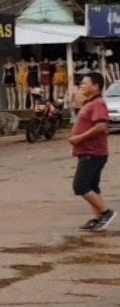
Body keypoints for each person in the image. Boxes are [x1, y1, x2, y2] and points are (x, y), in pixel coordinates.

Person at [68, 72, 116, 232]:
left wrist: (80, 138)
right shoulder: (90, 103)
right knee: (92, 186)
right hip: (88, 151)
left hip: (93, 152)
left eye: (85, 83)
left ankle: (105, 213)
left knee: (80, 185)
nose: (81, 85)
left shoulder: (98, 103)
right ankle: (97, 218)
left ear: (96, 86)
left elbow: (101, 126)